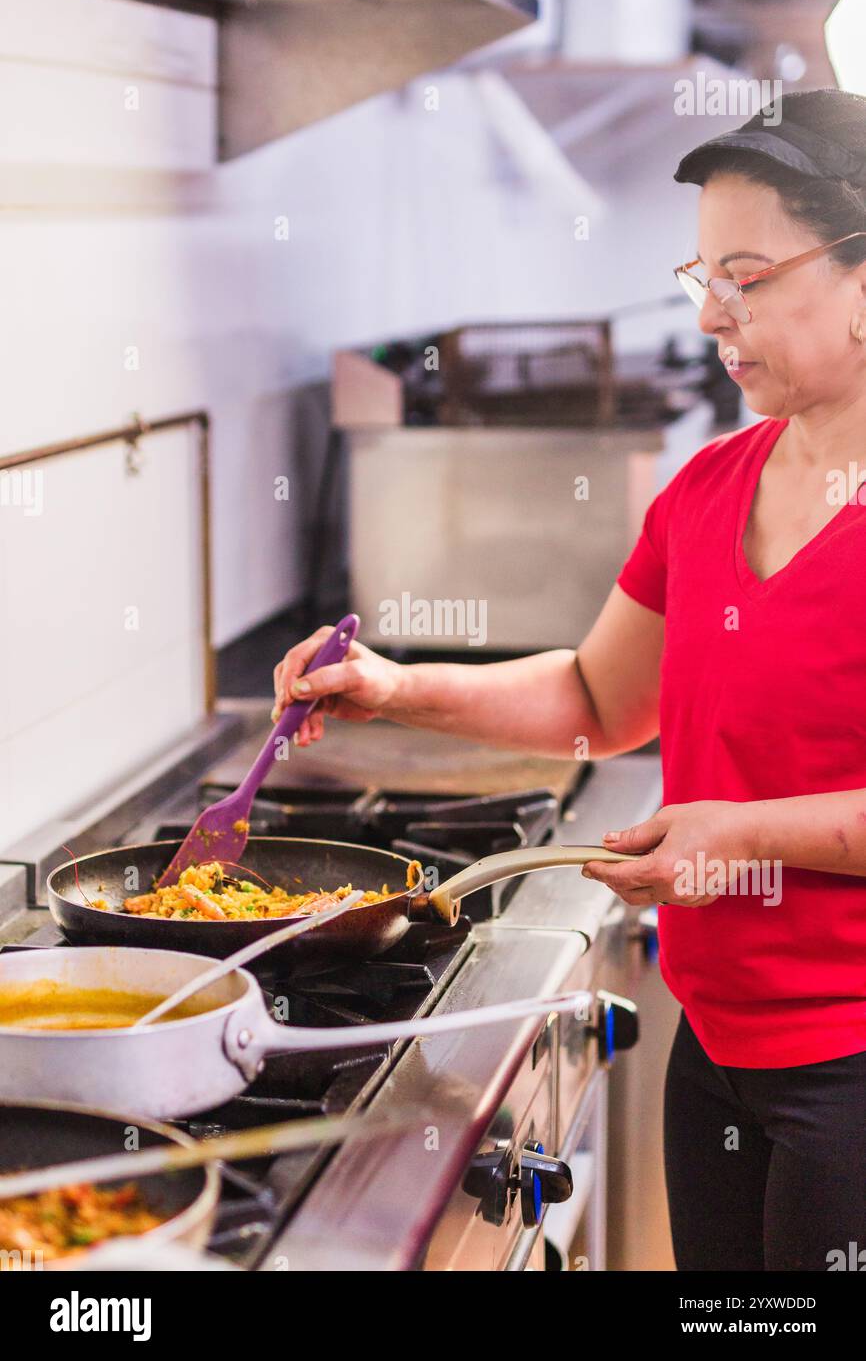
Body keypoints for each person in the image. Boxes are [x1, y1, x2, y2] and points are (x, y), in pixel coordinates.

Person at [273, 88, 866, 1272]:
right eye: (699, 273)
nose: (707, 315)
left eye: (743, 275)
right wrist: (398, 687)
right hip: (717, 1052)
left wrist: (741, 834)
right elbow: (599, 702)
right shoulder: (705, 491)